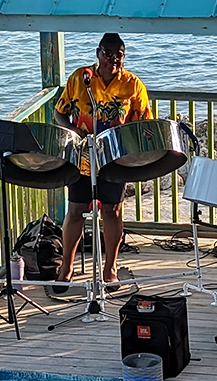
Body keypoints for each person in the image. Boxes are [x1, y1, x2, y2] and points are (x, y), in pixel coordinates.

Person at [54, 34, 151, 288]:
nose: (113, 60)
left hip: (114, 158)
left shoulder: (132, 84)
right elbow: (60, 112)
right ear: (98, 53)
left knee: (112, 210)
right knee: (76, 210)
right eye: (108, 54)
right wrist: (73, 131)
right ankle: (66, 267)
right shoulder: (80, 78)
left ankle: (110, 268)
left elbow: (144, 123)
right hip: (83, 156)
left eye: (119, 55)